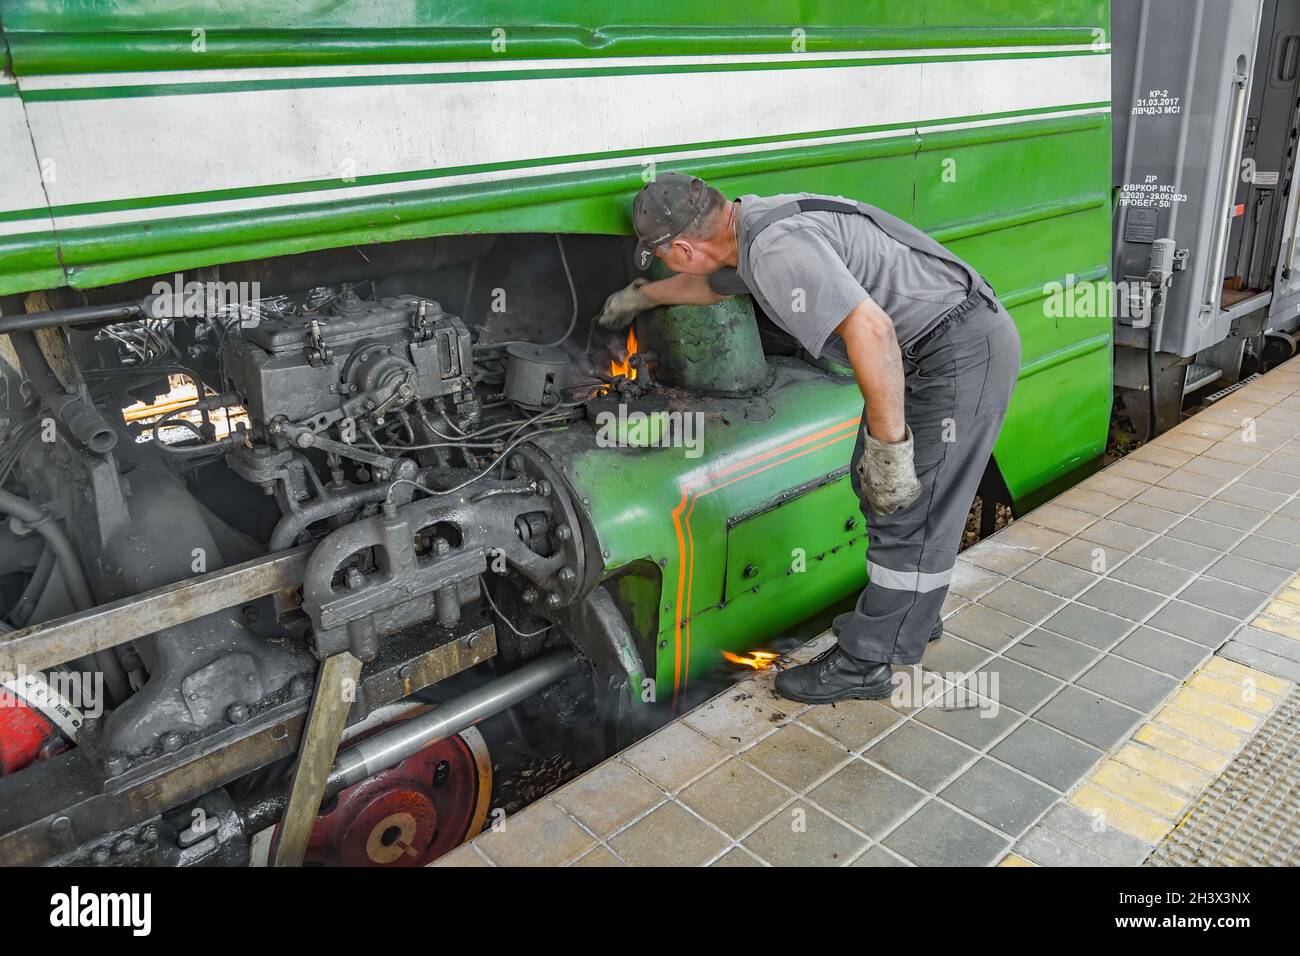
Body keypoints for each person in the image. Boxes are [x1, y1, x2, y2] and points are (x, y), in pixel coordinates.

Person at [597, 172, 1021, 703]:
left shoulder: (775, 251)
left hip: (953, 352)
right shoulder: (749, 229)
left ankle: (867, 664)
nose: (666, 264)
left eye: (662, 258)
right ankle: (908, 617)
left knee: (910, 502)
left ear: (682, 246)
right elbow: (709, 285)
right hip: (933, 348)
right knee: (878, 488)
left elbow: (872, 331)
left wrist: (891, 449)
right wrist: (642, 297)